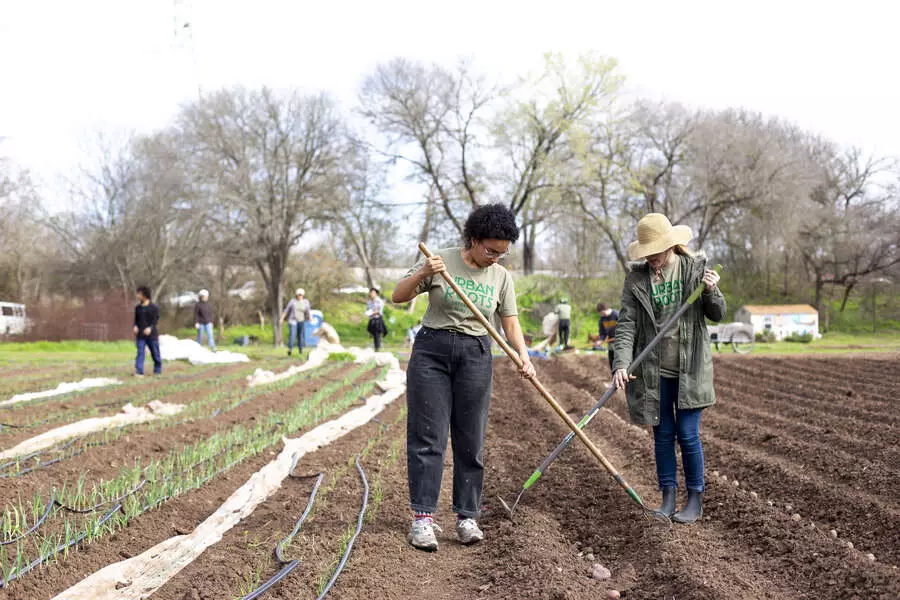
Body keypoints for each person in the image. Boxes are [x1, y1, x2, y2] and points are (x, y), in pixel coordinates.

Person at [392, 203, 536, 552]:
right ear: (473, 239)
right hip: (432, 351)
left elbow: (510, 321)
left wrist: (523, 353)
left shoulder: (501, 277)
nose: (495, 259)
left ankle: (466, 516)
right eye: (490, 250)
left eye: (502, 254)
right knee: (429, 436)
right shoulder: (440, 260)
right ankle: (423, 518)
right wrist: (423, 272)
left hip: (476, 355)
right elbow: (398, 296)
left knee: (471, 439)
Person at [612, 213, 725, 524]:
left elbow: (717, 313)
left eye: (657, 253)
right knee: (662, 435)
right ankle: (668, 497)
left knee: (687, 435)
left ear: (672, 246)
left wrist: (712, 291)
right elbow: (626, 325)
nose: (653, 260)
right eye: (648, 254)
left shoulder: (695, 271)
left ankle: (695, 500)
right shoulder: (637, 279)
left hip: (690, 372)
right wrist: (620, 363)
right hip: (653, 371)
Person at [133, 286, 162, 377]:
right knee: (140, 352)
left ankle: (157, 370)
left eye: (139, 294)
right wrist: (135, 326)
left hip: (151, 335)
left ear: (145, 295)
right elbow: (136, 320)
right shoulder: (138, 308)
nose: (138, 295)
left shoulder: (154, 307)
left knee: (155, 353)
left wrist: (150, 328)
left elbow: (155, 320)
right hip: (140, 335)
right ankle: (139, 371)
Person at [280, 288, 311, 357]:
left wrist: (310, 318)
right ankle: (290, 350)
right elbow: (286, 310)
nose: (300, 296)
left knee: (300, 336)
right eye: (299, 295)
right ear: (296, 295)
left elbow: (308, 311)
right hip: (292, 321)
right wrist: (282, 318)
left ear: (303, 295)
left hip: (301, 321)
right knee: (292, 335)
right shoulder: (293, 301)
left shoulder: (306, 302)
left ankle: (300, 350)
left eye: (301, 295)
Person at [597, 302, 619, 371]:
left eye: (601, 312)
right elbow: (602, 333)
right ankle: (614, 380)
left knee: (619, 362)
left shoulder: (617, 315)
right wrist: (601, 340)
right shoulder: (602, 319)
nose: (601, 314)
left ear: (605, 309)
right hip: (610, 343)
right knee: (612, 363)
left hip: (620, 342)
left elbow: (624, 327)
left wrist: (619, 336)